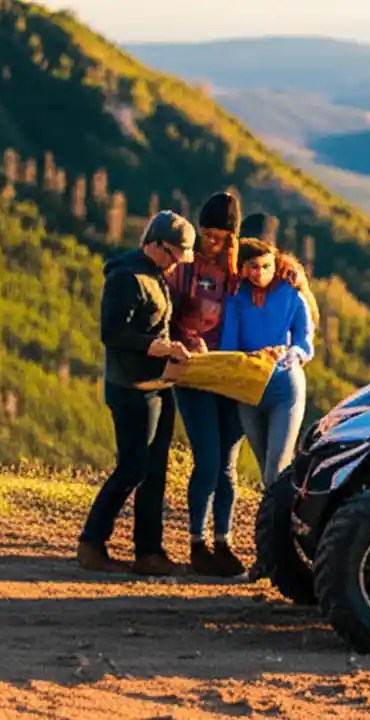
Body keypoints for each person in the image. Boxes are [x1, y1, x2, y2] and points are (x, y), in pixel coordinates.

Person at [77, 211, 195, 576]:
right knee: (132, 468)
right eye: (174, 255)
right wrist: (155, 347)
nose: (176, 264)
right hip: (131, 388)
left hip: (158, 386)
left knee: (154, 471)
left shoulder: (155, 275)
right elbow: (112, 333)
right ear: (155, 244)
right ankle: (92, 543)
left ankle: (149, 552)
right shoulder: (127, 277)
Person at [166, 192, 246, 577]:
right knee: (208, 459)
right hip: (194, 372)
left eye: (219, 236)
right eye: (206, 234)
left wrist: (294, 274)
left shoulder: (240, 271)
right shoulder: (183, 268)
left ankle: (223, 540)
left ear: (232, 238)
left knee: (228, 467)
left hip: (231, 375)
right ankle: (197, 542)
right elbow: (164, 310)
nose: (210, 242)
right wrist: (183, 340)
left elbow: (276, 270)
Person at [220, 239, 316, 491]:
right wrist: (251, 357)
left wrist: (291, 353)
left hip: (284, 387)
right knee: (265, 467)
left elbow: (305, 341)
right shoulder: (235, 297)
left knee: (277, 468)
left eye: (266, 266)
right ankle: (282, 511)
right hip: (248, 390)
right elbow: (229, 346)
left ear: (276, 265)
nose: (259, 273)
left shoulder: (291, 293)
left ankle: (283, 515)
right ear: (243, 267)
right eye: (253, 266)